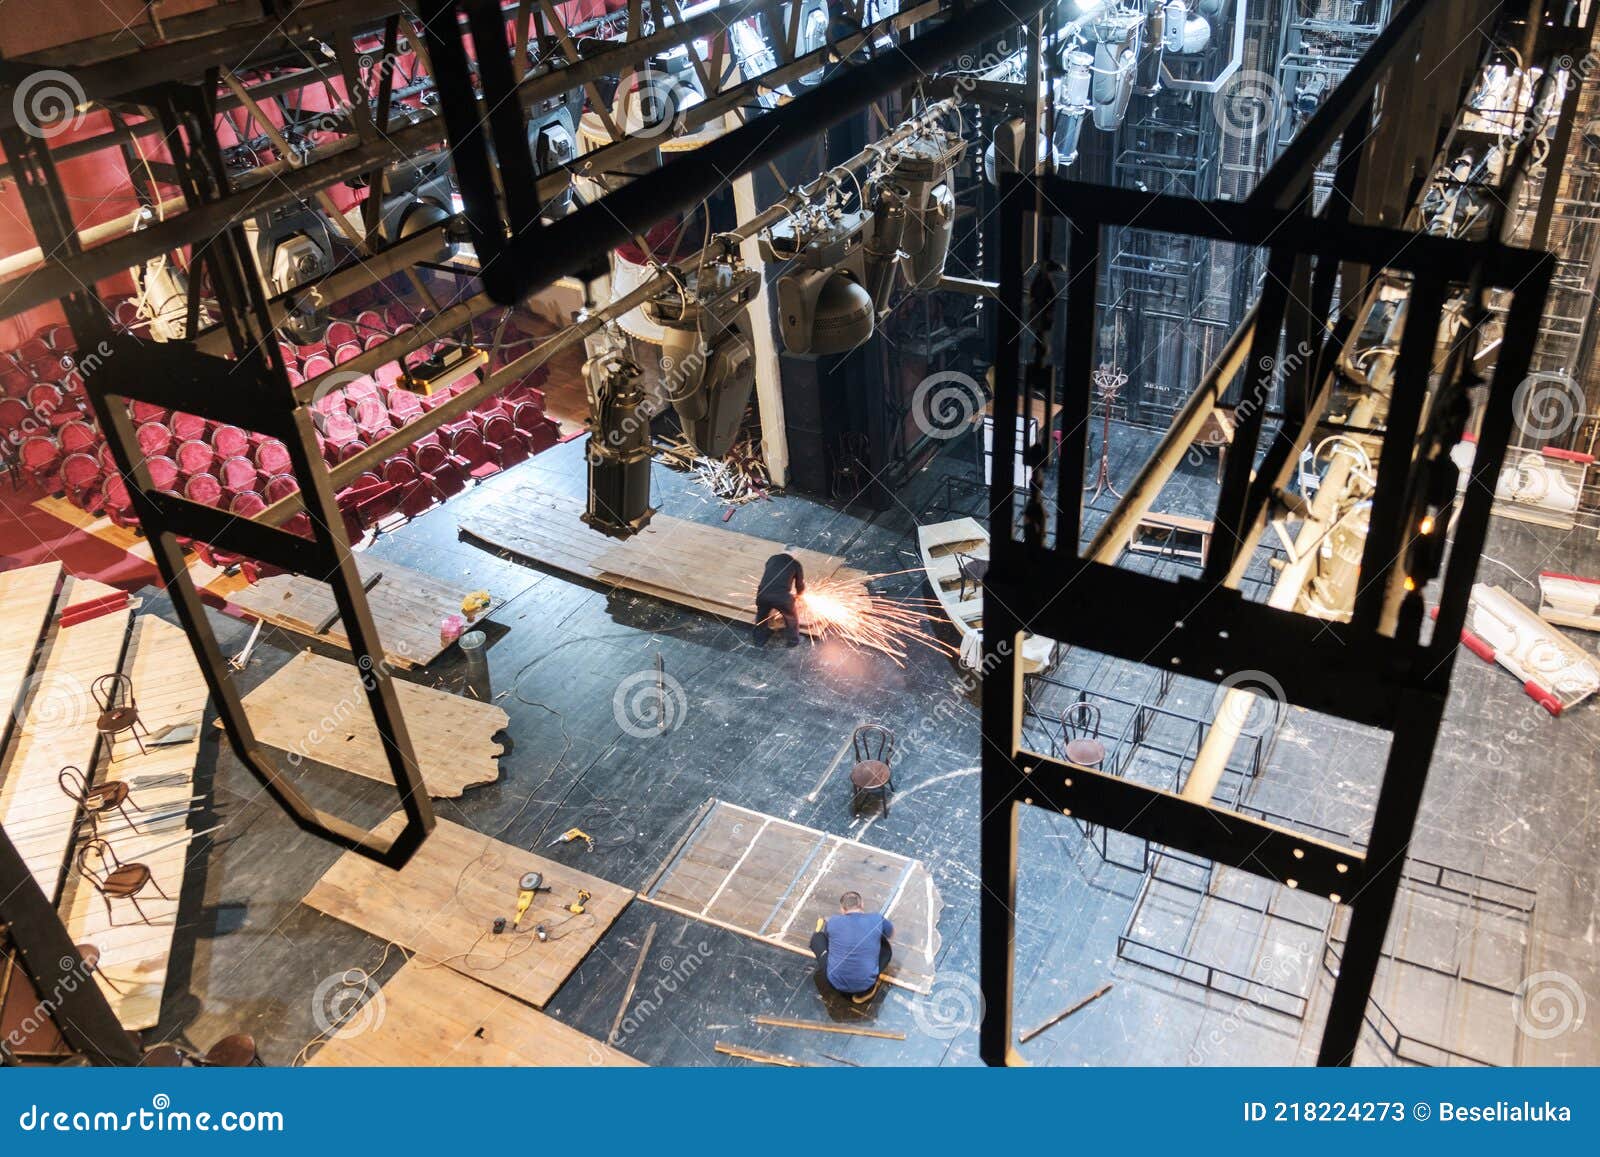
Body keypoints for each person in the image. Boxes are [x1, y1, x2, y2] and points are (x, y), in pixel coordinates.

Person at [810, 891, 893, 1003]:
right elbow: (891, 933)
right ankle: (867, 991)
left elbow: (828, 938)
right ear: (862, 904)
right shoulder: (877, 919)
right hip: (865, 984)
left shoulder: (833, 921)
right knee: (886, 947)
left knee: (817, 938)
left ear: (842, 909)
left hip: (836, 983)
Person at [755, 545, 806, 647]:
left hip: (763, 594)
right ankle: (793, 641)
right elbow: (799, 585)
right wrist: (799, 595)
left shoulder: (772, 558)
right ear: (795, 553)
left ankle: (759, 640)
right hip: (782, 598)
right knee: (791, 618)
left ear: (783, 550)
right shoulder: (796, 564)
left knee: (761, 617)